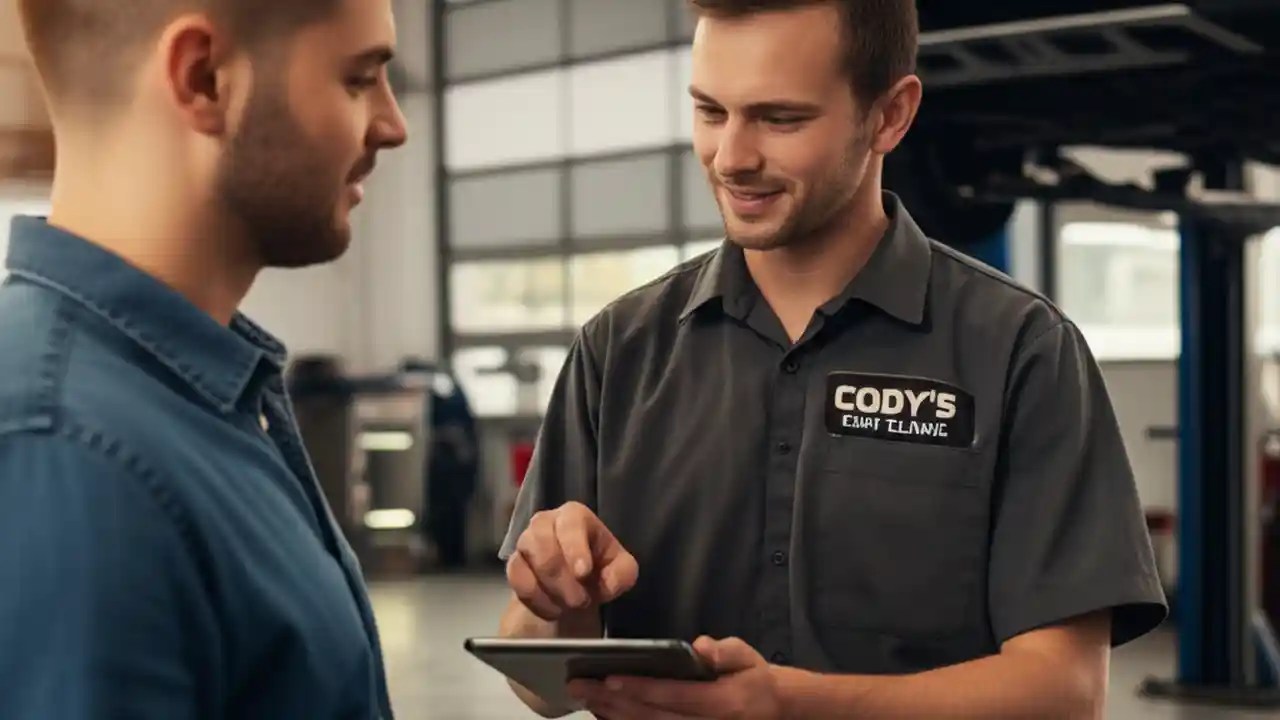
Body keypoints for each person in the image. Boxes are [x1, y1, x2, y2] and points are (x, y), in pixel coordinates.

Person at [496, 1, 1168, 718]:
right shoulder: (619, 351)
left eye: (780, 119)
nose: (732, 158)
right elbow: (538, 689)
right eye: (710, 112)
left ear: (890, 115)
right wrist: (552, 600)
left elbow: (1064, 693)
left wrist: (791, 704)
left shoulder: (1020, 352)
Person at [0, 0, 407, 717]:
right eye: (358, 78)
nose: (392, 124)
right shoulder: (72, 460)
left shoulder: (204, 398)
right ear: (205, 79)